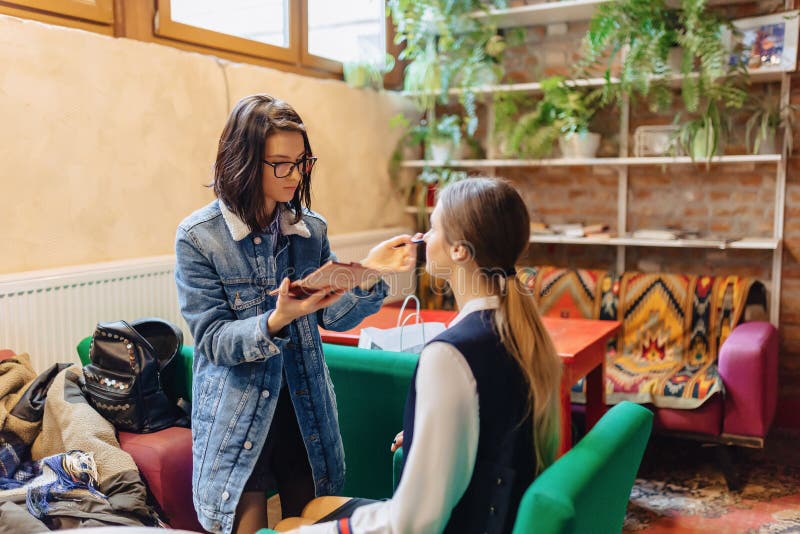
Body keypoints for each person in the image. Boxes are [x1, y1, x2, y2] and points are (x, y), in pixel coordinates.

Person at [174, 94, 417, 534]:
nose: (296, 175)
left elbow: (333, 317)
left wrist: (369, 272)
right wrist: (276, 320)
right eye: (281, 164)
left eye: (302, 162)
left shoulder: (310, 229)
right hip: (238, 414)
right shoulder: (199, 238)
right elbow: (212, 341)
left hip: (304, 410)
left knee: (311, 521)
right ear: (245, 163)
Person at [283, 177, 563, 533]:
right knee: (314, 508)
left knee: (290, 525)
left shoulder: (449, 356)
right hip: (494, 515)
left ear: (459, 250)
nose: (424, 238)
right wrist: (433, 433)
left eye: (433, 228)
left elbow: (413, 522)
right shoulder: (519, 331)